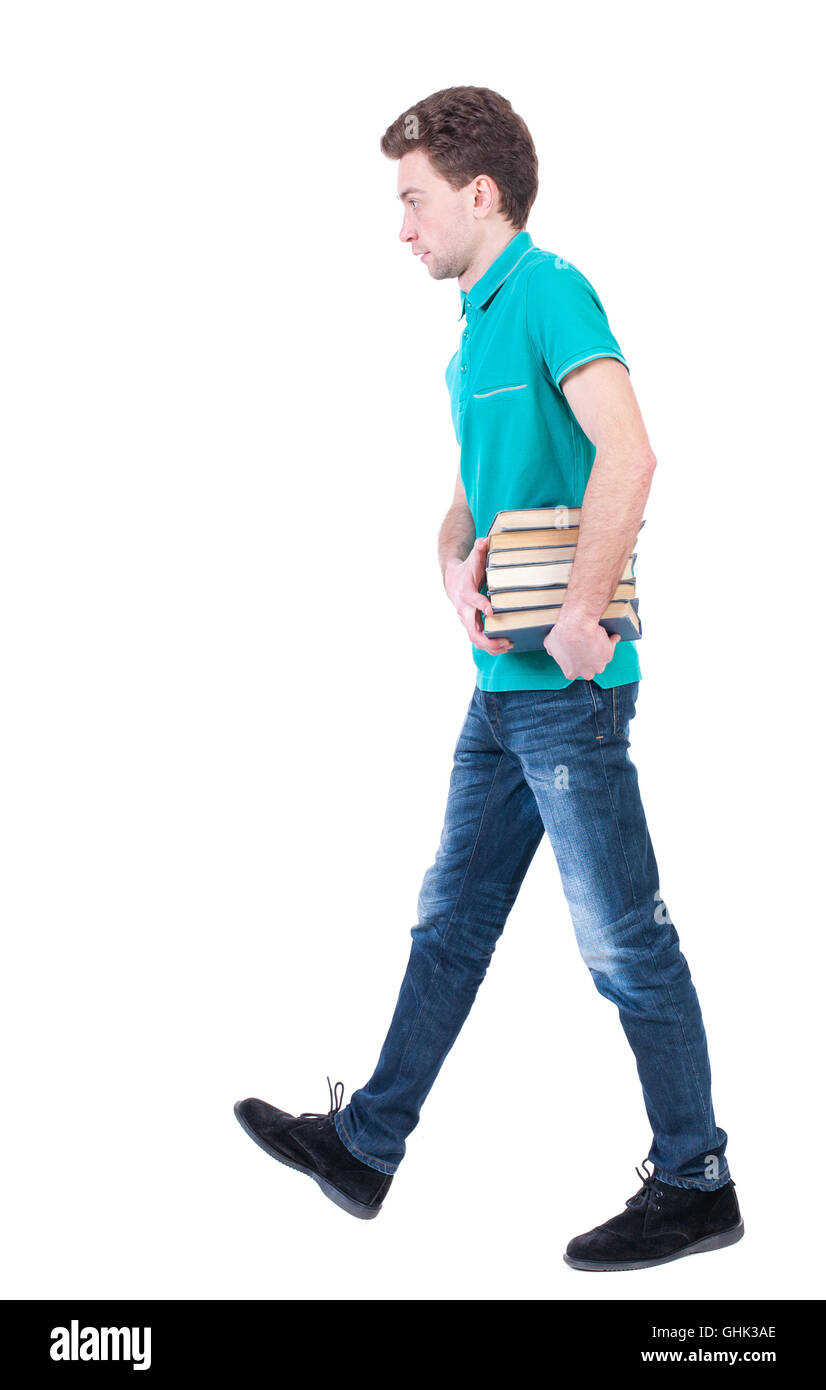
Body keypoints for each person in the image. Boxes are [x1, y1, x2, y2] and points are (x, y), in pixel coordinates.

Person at [234, 85, 744, 1272]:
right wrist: (450, 567)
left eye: (413, 200)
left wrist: (580, 614)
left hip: (566, 694)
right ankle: (366, 1146)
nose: (401, 226)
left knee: (622, 944)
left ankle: (696, 1180)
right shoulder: (472, 337)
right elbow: (475, 496)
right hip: (500, 691)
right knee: (449, 924)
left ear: (480, 193)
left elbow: (630, 451)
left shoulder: (550, 292)